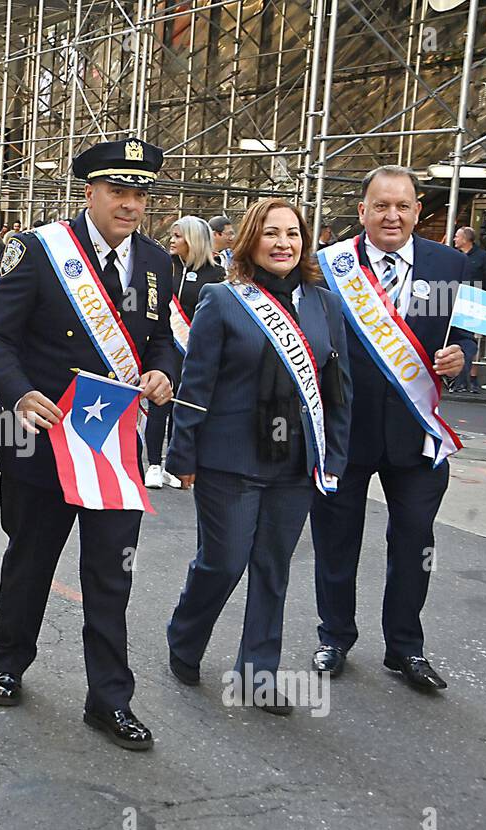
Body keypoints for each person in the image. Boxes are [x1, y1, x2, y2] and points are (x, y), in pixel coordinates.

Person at [0, 137, 179, 751]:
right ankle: (9, 663)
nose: (130, 204)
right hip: (46, 438)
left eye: (140, 193)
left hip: (113, 446)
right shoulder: (40, 250)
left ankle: (109, 699)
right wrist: (18, 394)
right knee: (31, 559)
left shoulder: (156, 263)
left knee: (111, 573)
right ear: (89, 192)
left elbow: (163, 339)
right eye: (118, 190)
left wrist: (163, 371)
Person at [166, 198, 351, 713]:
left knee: (273, 568)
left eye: (292, 234)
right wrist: (182, 453)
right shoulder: (222, 299)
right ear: (251, 240)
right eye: (271, 233)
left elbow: (338, 390)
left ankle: (257, 674)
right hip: (230, 459)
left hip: (295, 462)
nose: (283, 243)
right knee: (222, 563)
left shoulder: (325, 305)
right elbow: (196, 382)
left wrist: (334, 455)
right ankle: (186, 636)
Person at [310, 165, 470, 690]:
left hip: (417, 433)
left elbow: (468, 335)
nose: (392, 216)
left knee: (414, 543)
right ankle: (335, 636)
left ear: (418, 210)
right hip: (345, 431)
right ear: (363, 211)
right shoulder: (328, 267)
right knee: (337, 541)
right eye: (381, 206)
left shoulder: (451, 265)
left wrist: (461, 358)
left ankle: (405, 648)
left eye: (402, 206)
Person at [145, 215, 223, 489]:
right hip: (166, 348)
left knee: (184, 408)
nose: (172, 240)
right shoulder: (165, 267)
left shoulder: (217, 274)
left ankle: (174, 463)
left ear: (193, 239)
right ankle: (153, 464)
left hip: (196, 351)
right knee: (159, 404)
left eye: (178, 236)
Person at [450, 226, 486, 393]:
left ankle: (472, 379)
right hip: (455, 302)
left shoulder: (482, 256)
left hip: (475, 303)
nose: (454, 239)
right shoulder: (453, 255)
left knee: (474, 341)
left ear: (465, 239)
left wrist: (485, 302)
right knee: (456, 339)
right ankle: (457, 380)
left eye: (457, 236)